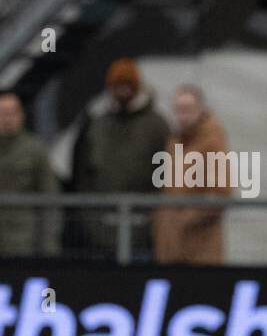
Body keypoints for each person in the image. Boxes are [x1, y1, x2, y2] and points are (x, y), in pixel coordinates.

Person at [70, 59, 170, 259]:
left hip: (143, 230)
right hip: (100, 232)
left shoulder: (157, 126)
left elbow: (167, 176)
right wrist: (91, 217)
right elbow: (83, 172)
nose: (122, 91)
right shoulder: (97, 124)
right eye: (117, 86)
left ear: (136, 87)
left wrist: (153, 217)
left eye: (127, 86)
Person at [153, 85, 230, 265]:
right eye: (178, 110)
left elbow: (220, 193)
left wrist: (182, 219)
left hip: (200, 249)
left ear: (200, 109)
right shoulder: (175, 141)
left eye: (187, 110)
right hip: (172, 246)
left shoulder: (212, 140)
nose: (182, 116)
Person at [0, 90, 60, 258]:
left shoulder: (36, 151)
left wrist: (49, 245)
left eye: (13, 112)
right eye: (3, 113)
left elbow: (50, 199)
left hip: (24, 243)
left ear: (22, 115)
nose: (8, 118)